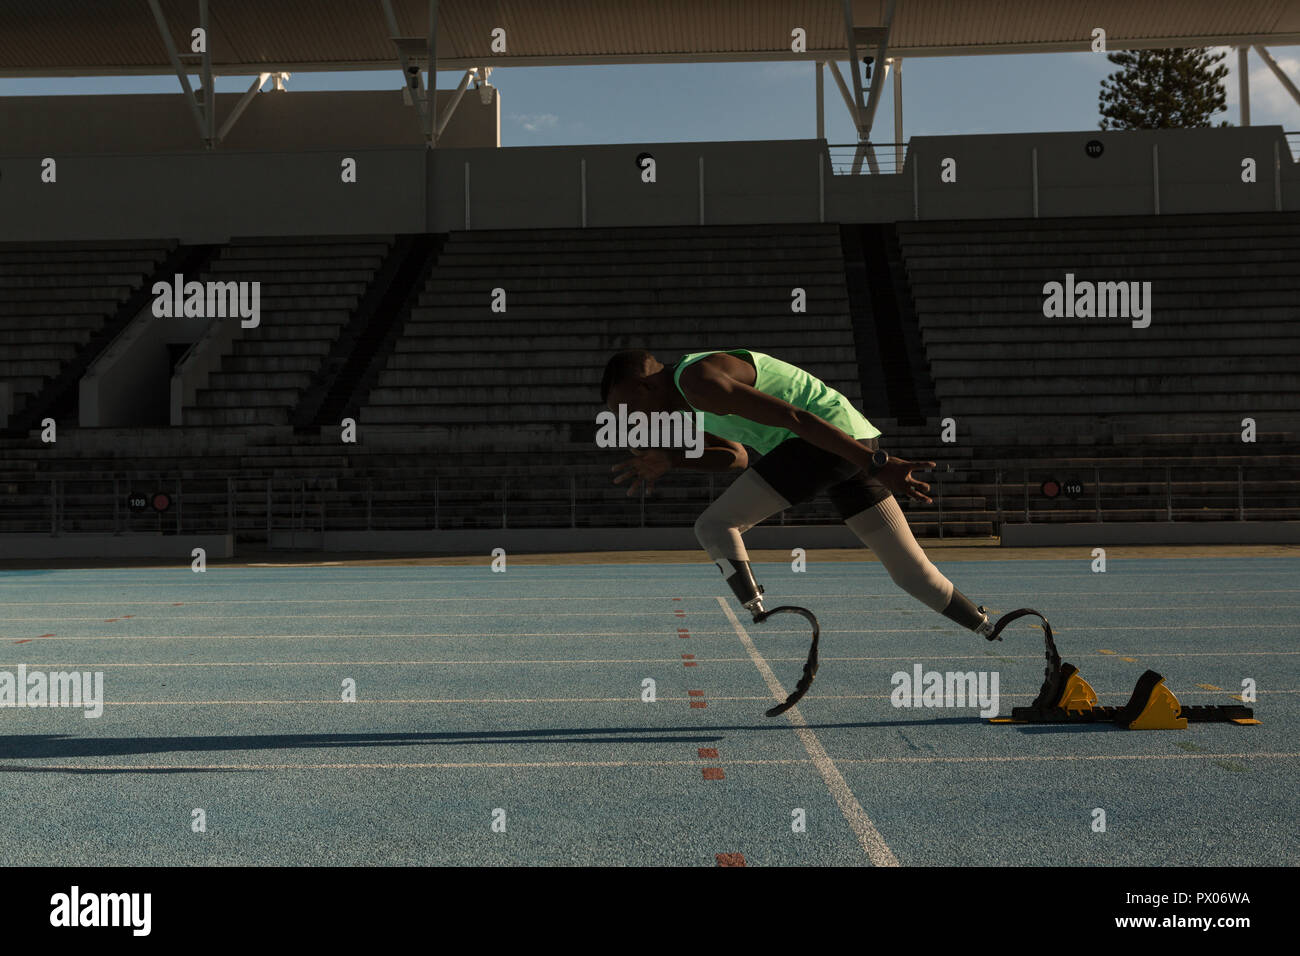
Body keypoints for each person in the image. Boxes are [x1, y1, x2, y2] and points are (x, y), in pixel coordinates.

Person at [600, 347, 996, 636]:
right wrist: (674, 460)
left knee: (714, 525)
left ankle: (759, 612)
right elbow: (736, 458)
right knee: (913, 575)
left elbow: (796, 418)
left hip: (827, 443)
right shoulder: (689, 399)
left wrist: (877, 464)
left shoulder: (697, 381)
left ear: (644, 385)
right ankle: (989, 627)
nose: (628, 419)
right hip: (847, 442)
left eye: (626, 407)